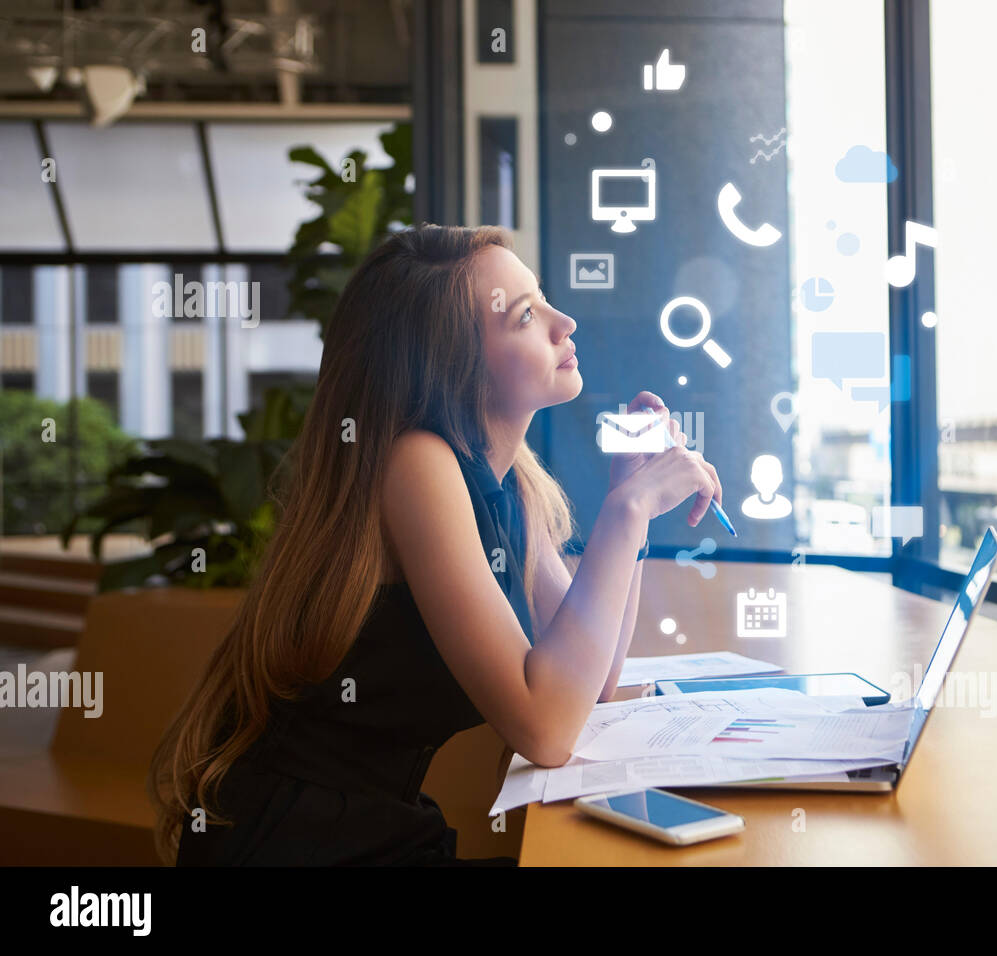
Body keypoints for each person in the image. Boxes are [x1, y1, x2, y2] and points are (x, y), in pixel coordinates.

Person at [149, 224, 723, 866]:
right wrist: (627, 509)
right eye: (527, 316)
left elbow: (591, 686)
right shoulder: (416, 464)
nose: (565, 324)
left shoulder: (511, 484)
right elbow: (546, 730)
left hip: (378, 827)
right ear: (452, 365)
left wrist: (634, 504)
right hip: (296, 841)